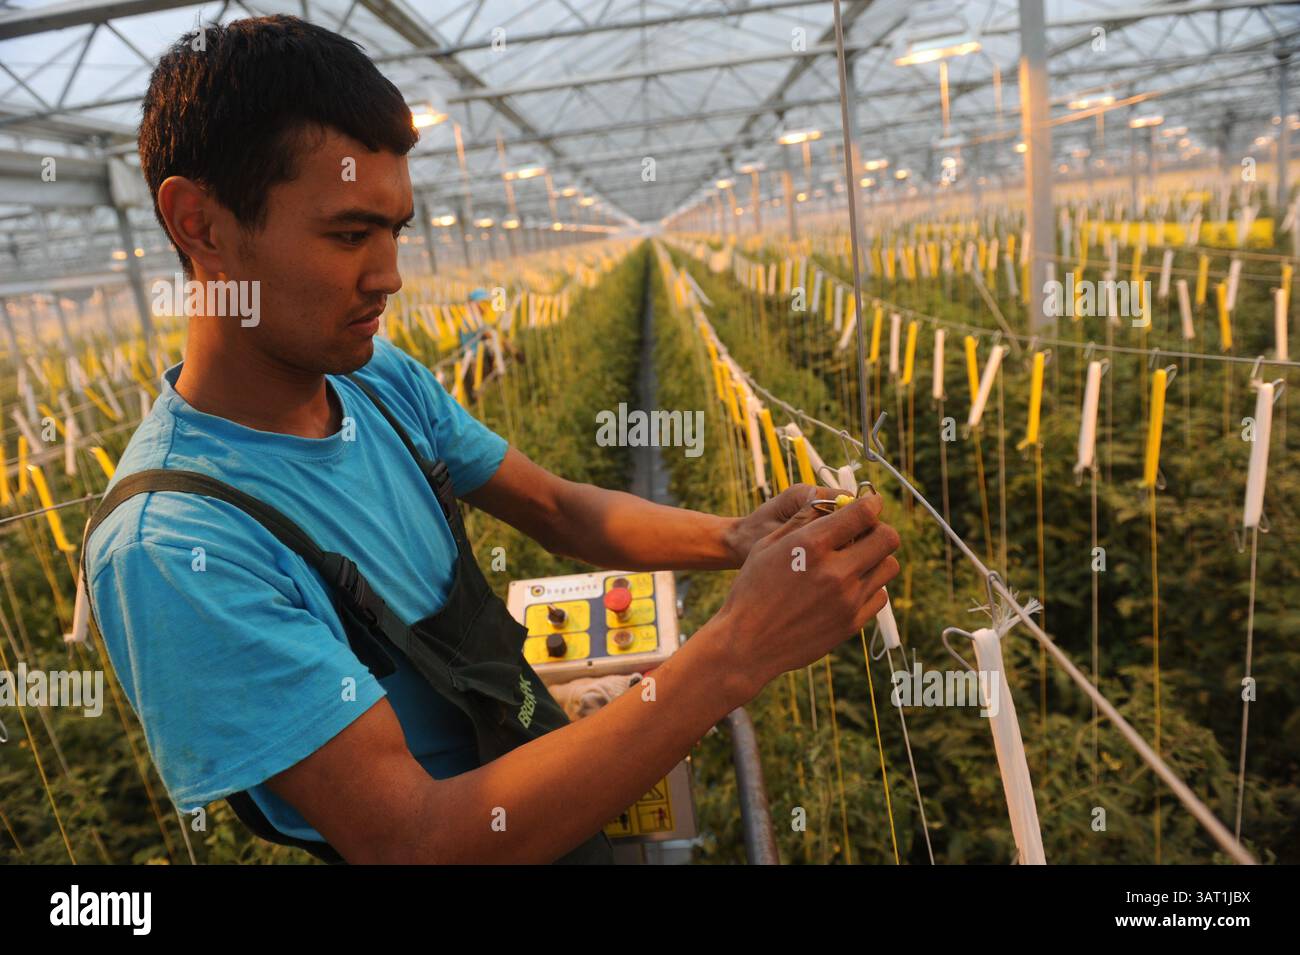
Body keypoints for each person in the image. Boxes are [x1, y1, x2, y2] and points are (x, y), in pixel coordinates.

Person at [84, 15, 900, 864]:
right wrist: (735, 649)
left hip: (556, 778)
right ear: (201, 225)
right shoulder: (177, 544)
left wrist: (735, 538)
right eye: (350, 233)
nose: (389, 274)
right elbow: (415, 838)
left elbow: (557, 506)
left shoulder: (374, 379)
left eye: (396, 230)